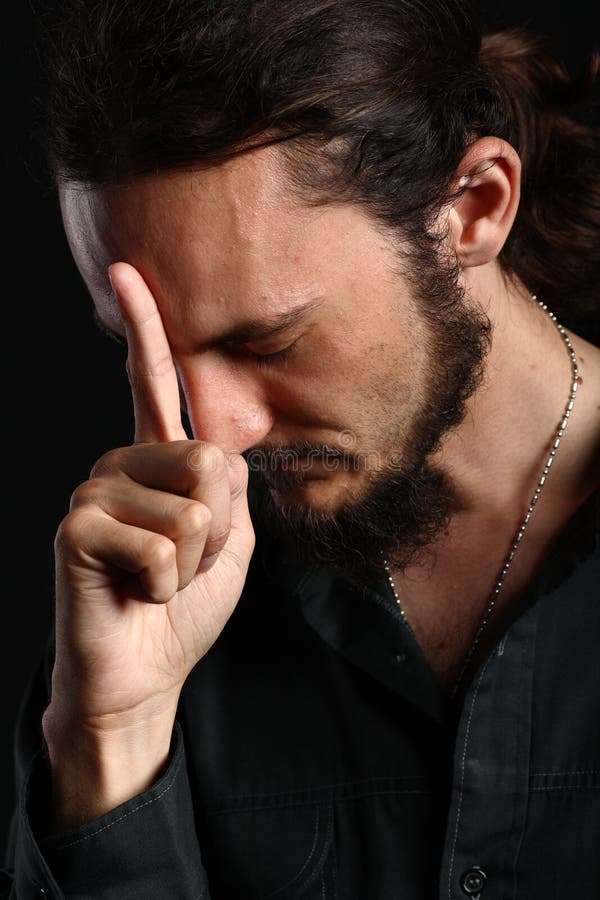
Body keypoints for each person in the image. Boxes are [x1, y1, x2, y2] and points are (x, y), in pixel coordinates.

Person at [3, 0, 599, 897]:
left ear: (473, 210)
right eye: (150, 351)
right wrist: (108, 741)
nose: (222, 437)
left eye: (269, 343)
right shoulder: (154, 599)